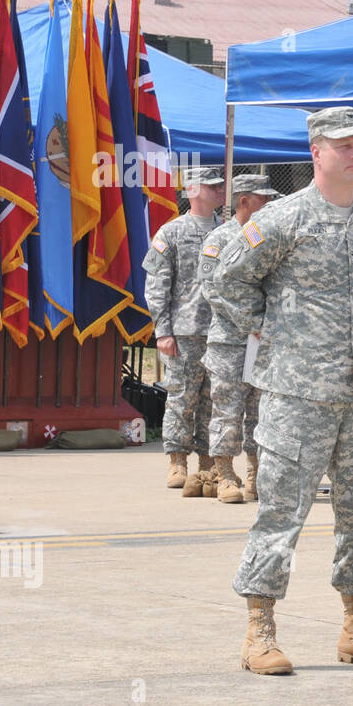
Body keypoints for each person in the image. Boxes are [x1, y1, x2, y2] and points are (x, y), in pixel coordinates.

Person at [208, 106, 353, 675]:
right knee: (281, 513)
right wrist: (267, 327)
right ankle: (260, 632)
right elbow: (224, 276)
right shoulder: (283, 219)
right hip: (297, 394)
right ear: (316, 152)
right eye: (343, 145)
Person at [198, 173, 279, 503]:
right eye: (264, 199)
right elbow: (214, 291)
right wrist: (252, 322)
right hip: (230, 342)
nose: (270, 204)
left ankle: (255, 473)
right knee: (227, 410)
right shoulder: (219, 240)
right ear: (244, 201)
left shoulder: (267, 238)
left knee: (262, 411)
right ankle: (225, 475)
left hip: (263, 342)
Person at [143, 166, 225, 494]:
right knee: (181, 397)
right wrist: (162, 331)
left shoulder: (230, 231)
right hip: (185, 331)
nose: (219, 191)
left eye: (220, 186)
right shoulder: (171, 233)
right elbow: (157, 285)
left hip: (221, 333)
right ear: (191, 190)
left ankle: (207, 462)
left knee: (214, 400)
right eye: (211, 186)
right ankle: (177, 459)